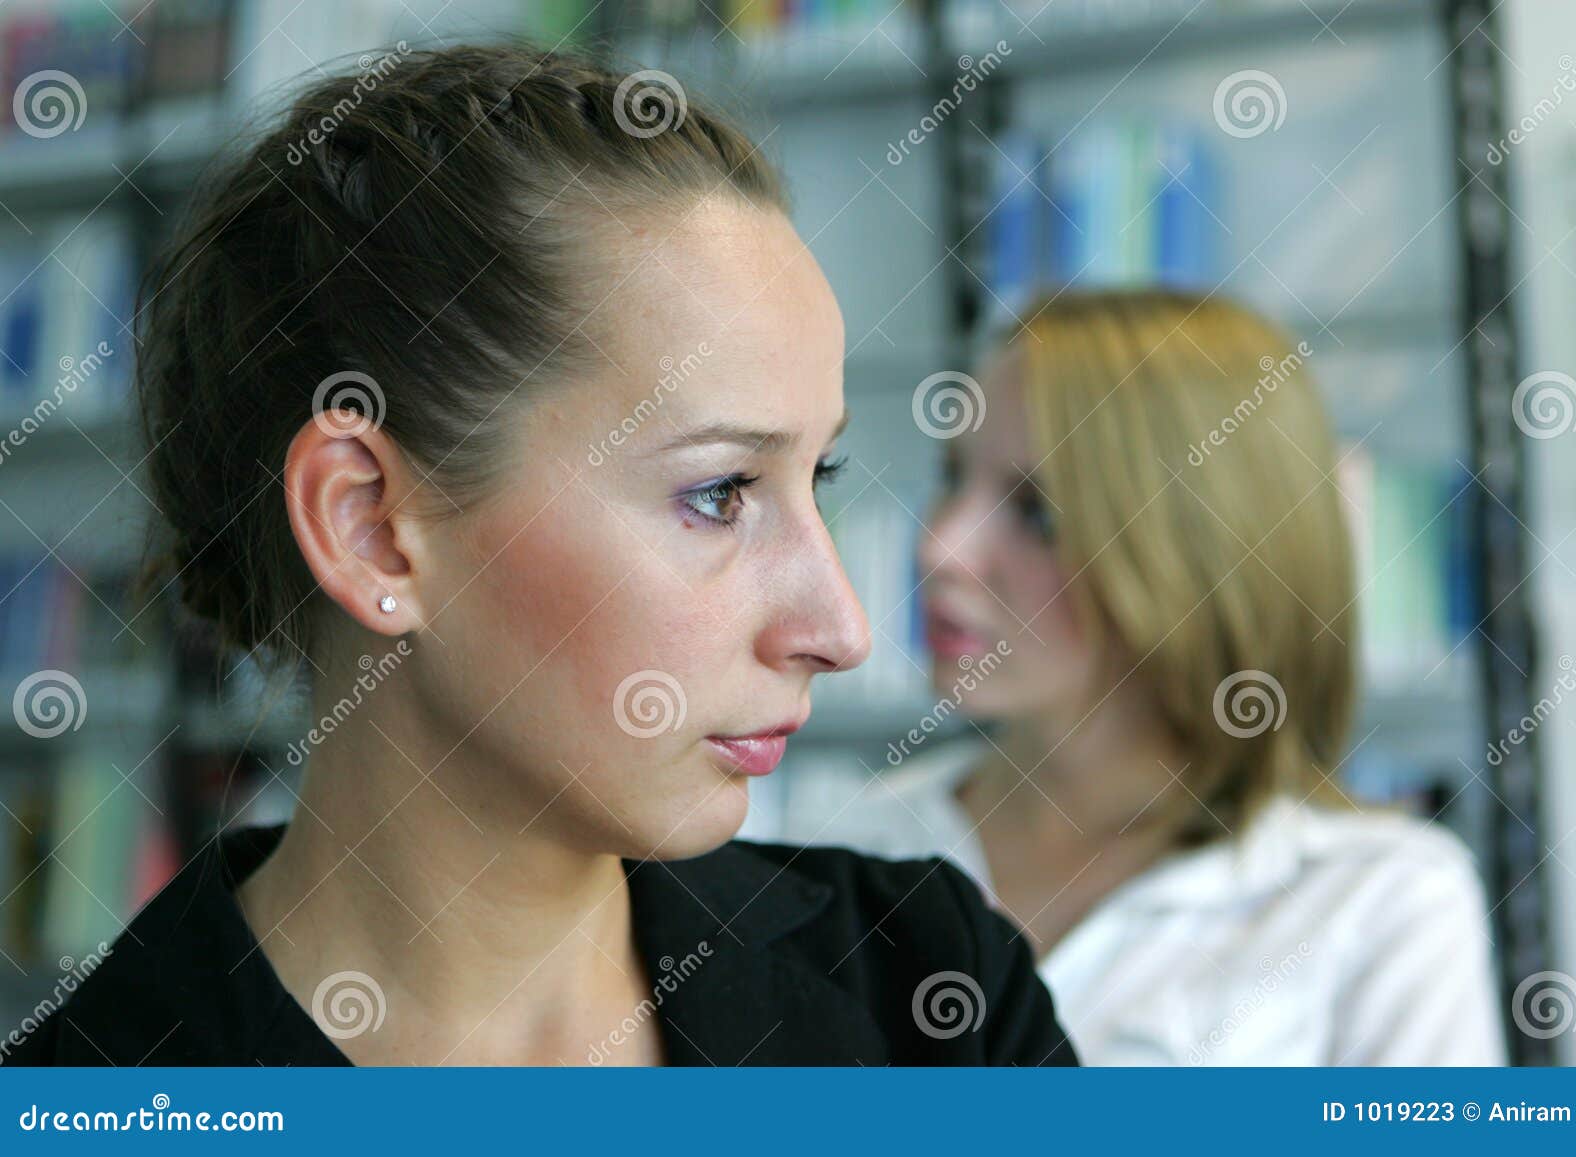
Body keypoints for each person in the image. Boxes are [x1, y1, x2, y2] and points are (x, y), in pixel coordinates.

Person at [1, 43, 1075, 1068]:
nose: (841, 628)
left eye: (818, 478)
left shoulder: (932, 994)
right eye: (719, 491)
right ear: (369, 526)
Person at [779, 289, 1507, 1065]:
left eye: (1037, 511)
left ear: (1194, 550)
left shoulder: (1383, 905)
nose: (941, 547)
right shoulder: (839, 847)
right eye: (955, 478)